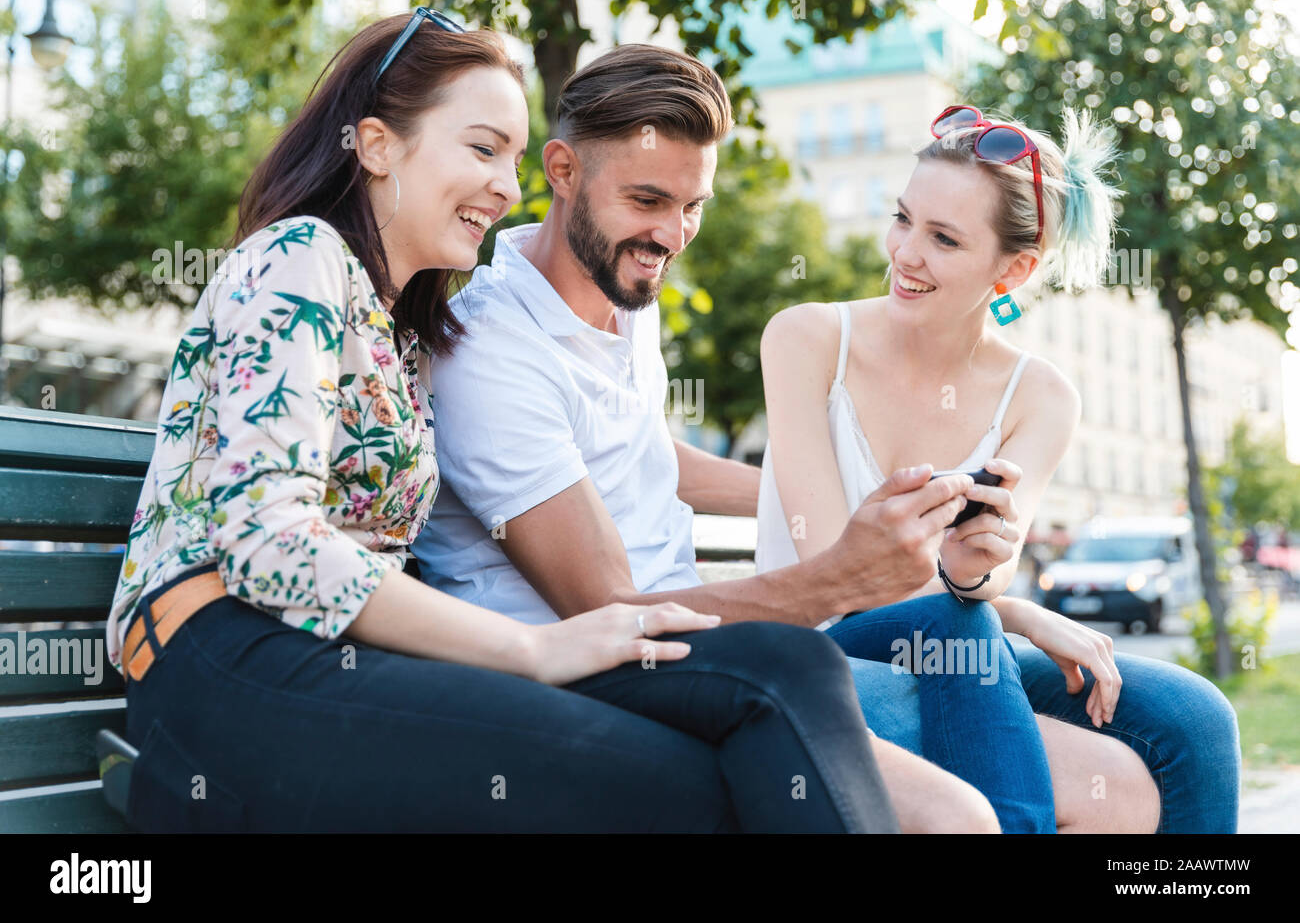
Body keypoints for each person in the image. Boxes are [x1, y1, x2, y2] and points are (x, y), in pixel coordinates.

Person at [105, 10, 906, 833]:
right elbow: (267, 541)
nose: (505, 184)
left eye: (513, 158)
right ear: (377, 147)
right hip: (225, 667)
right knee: (719, 751)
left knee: (762, 692)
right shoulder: (297, 258)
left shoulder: (403, 330)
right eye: (483, 148)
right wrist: (531, 650)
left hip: (336, 666)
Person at [411, 43, 1154, 833]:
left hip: (705, 644)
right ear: (561, 171)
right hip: (600, 674)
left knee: (1149, 758)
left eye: (692, 205)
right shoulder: (492, 350)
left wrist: (940, 553)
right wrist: (841, 574)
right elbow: (611, 612)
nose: (672, 233)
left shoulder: (619, 288)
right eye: (648, 200)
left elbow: (646, 462)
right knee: (999, 799)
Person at [757, 105, 1241, 832]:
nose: (905, 253)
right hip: (823, 635)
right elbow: (838, 569)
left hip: (959, 636)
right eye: (903, 218)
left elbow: (980, 578)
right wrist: (1009, 610)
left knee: (1195, 716)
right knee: (963, 632)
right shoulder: (808, 338)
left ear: (1013, 269)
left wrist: (983, 568)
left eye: (944, 238)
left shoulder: (1041, 395)